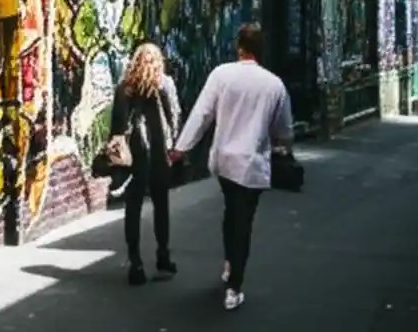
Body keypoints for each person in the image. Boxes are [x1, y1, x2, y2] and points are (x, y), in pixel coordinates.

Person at [168, 24, 294, 312]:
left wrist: (181, 147)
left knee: (231, 212)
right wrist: (281, 143)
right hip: (251, 163)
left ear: (239, 47)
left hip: (224, 160)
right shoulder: (274, 85)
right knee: (243, 220)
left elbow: (202, 113)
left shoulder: (221, 75)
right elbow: (284, 129)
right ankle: (234, 285)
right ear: (261, 49)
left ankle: (229, 263)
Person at [109, 42, 182, 285]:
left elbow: (117, 127)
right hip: (159, 153)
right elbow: (174, 116)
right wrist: (176, 148)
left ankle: (135, 262)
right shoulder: (165, 84)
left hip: (134, 156)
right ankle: (163, 256)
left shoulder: (124, 88)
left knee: (133, 207)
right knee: (161, 205)